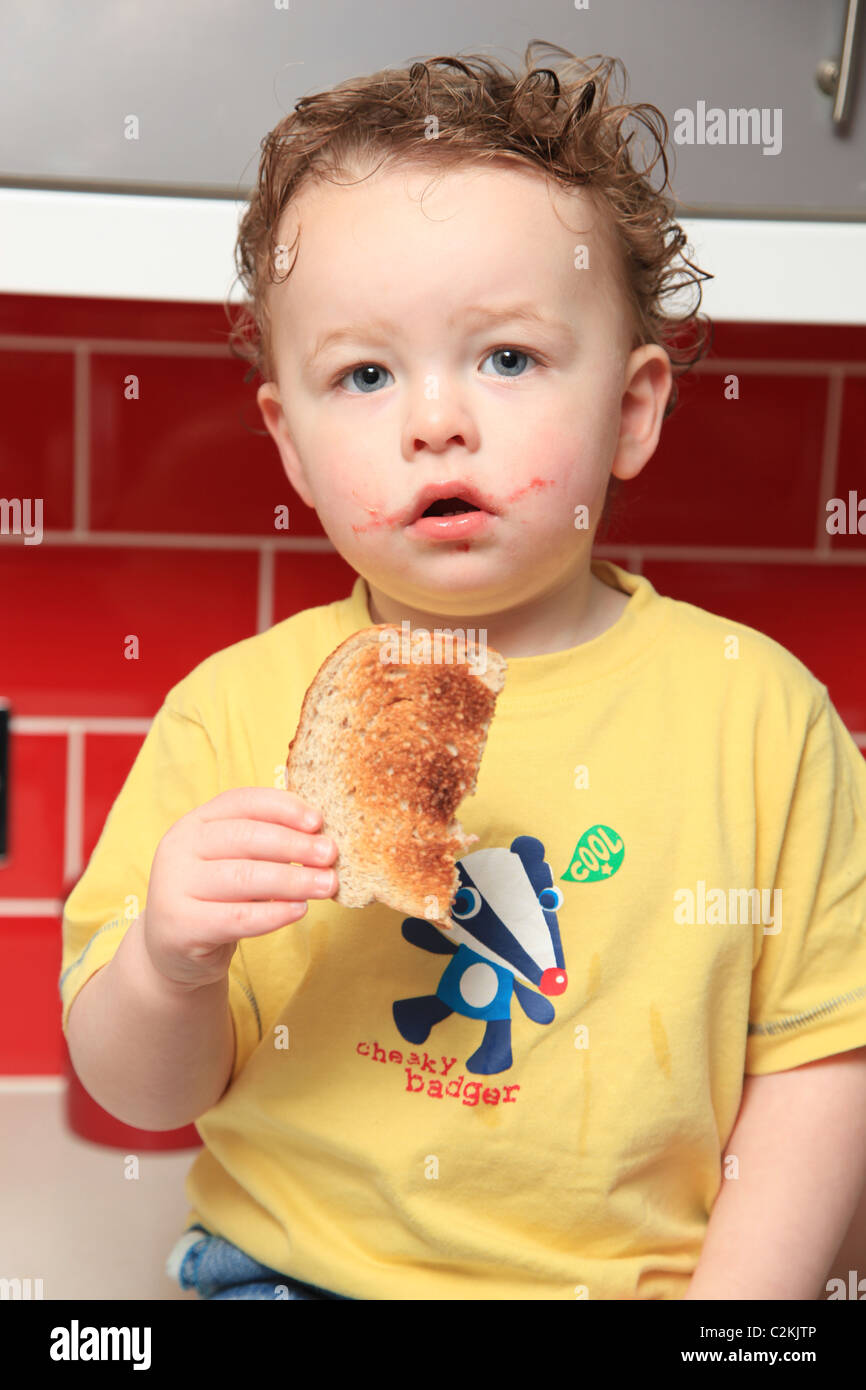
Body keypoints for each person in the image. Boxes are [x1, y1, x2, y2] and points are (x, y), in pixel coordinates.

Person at [60, 44, 866, 1301]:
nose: (434, 419)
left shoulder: (760, 716)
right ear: (291, 442)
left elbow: (822, 1064)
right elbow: (141, 1090)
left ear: (634, 408)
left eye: (506, 357)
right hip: (288, 1276)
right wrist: (169, 963)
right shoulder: (230, 714)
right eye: (365, 374)